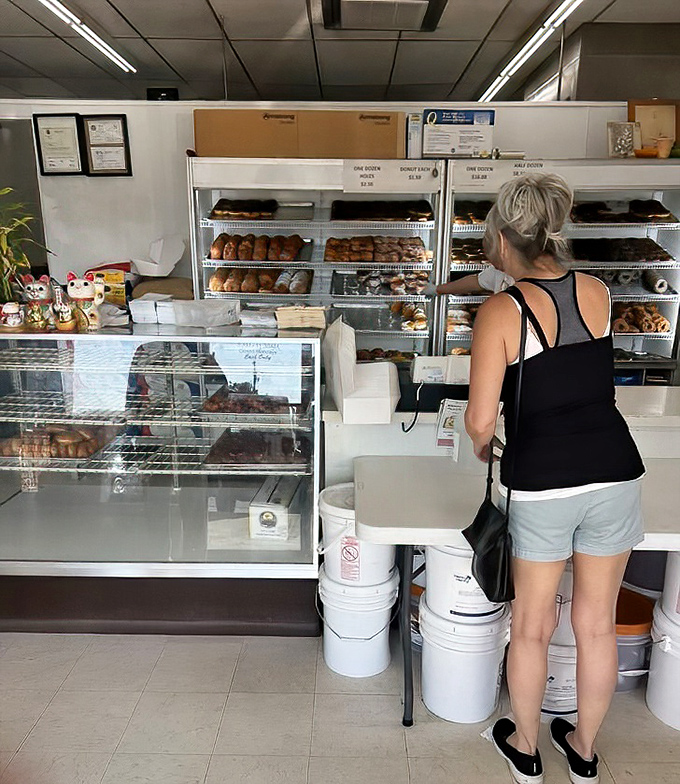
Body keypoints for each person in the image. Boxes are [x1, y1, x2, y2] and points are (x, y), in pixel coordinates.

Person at [464, 173, 645, 784]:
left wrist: (484, 444)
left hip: (543, 481)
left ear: (502, 239)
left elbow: (481, 419)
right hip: (615, 474)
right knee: (596, 625)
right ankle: (585, 754)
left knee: (533, 627)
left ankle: (525, 746)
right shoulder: (597, 290)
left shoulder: (501, 309)